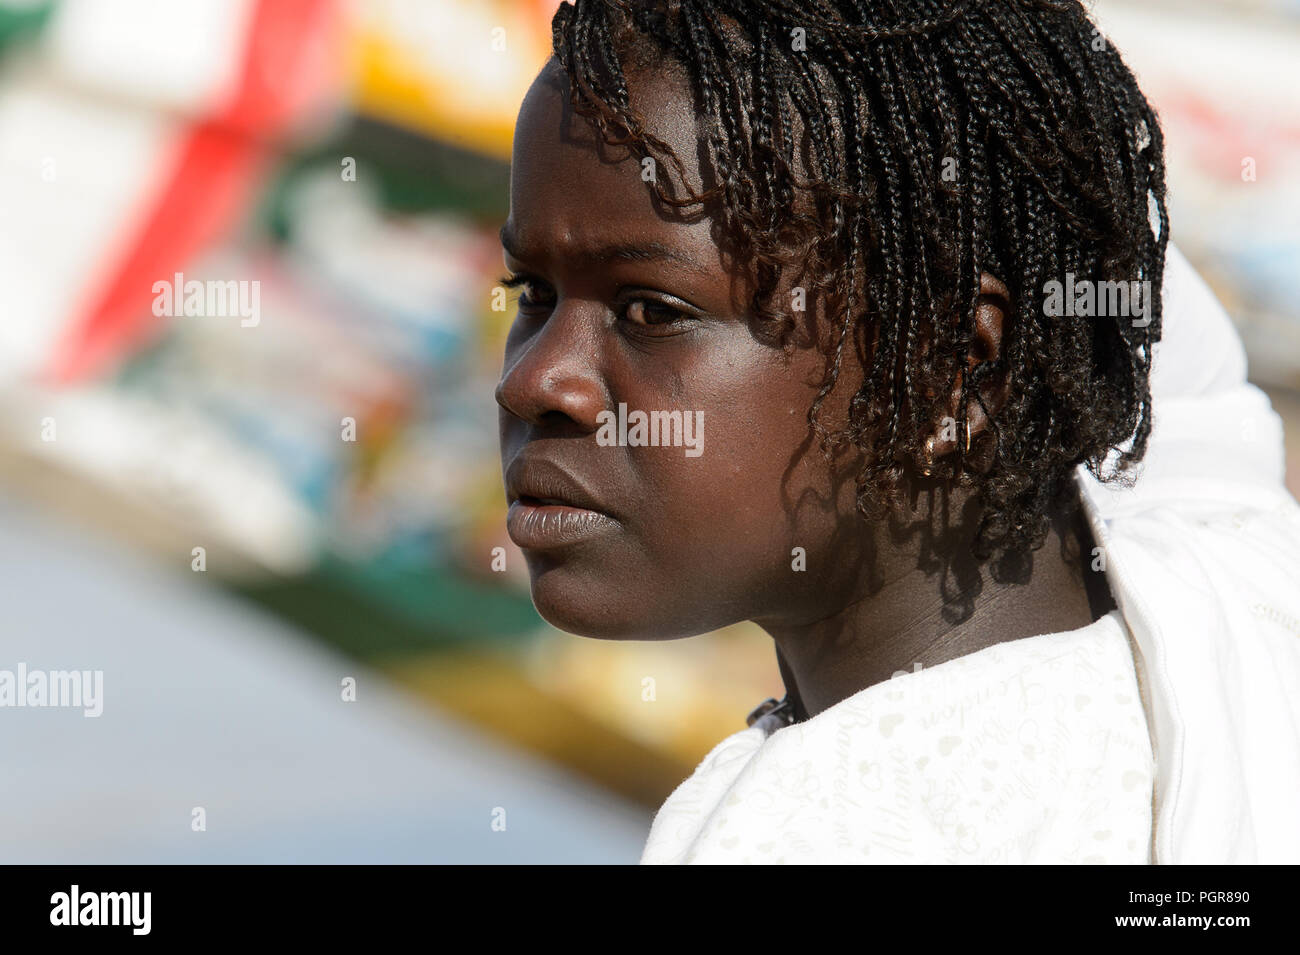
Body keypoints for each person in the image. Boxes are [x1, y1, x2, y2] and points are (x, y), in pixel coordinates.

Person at [495, 0, 1300, 863]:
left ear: (956, 368)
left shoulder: (820, 833)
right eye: (531, 292)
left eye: (652, 309)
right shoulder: (1224, 602)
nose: (533, 380)